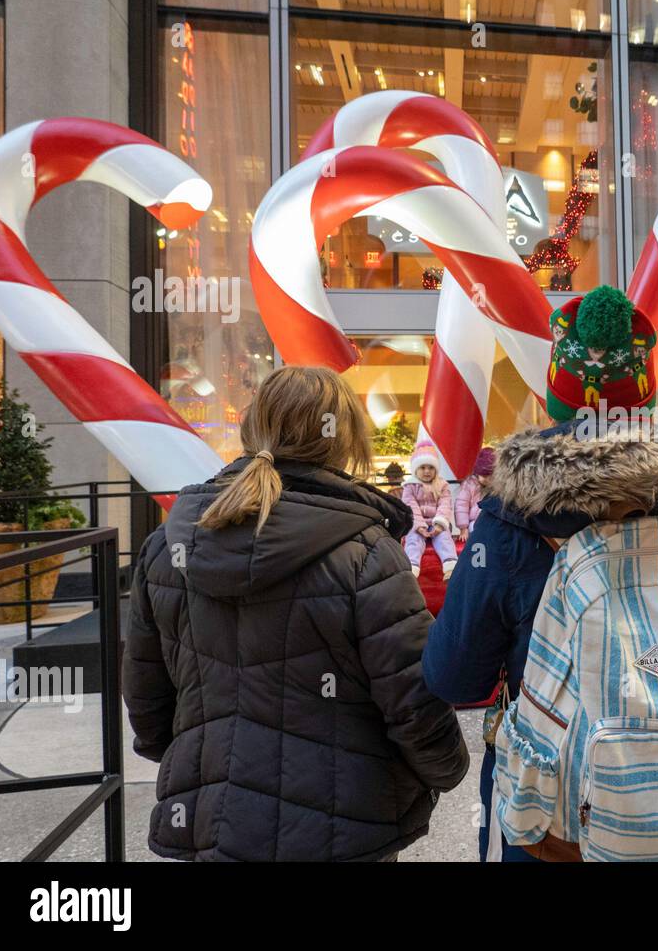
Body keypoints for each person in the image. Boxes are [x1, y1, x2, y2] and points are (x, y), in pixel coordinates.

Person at [422, 287, 658, 862]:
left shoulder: (511, 512)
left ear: (557, 394)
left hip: (552, 801)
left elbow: (455, 676)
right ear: (643, 396)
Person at [123, 366, 471, 862]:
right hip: (346, 825)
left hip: (212, 821)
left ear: (251, 428)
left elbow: (146, 697)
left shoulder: (166, 547)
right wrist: (446, 769)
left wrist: (199, 760)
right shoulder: (368, 552)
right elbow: (412, 698)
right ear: (344, 439)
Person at [402, 440, 458, 578]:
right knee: (413, 540)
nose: (427, 471)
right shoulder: (410, 486)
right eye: (422, 467)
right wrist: (419, 526)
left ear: (436, 469)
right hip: (417, 523)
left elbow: (445, 505)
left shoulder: (442, 485)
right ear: (416, 469)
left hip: (436, 522)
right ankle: (412, 567)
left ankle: (450, 566)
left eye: (431, 467)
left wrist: (439, 524)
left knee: (445, 538)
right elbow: (410, 507)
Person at [454, 446, 494, 538]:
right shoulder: (469, 485)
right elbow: (461, 506)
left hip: (491, 523)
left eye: (491, 477)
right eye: (484, 476)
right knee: (478, 529)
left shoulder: (496, 488)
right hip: (474, 522)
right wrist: (463, 528)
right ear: (477, 473)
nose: (488, 480)